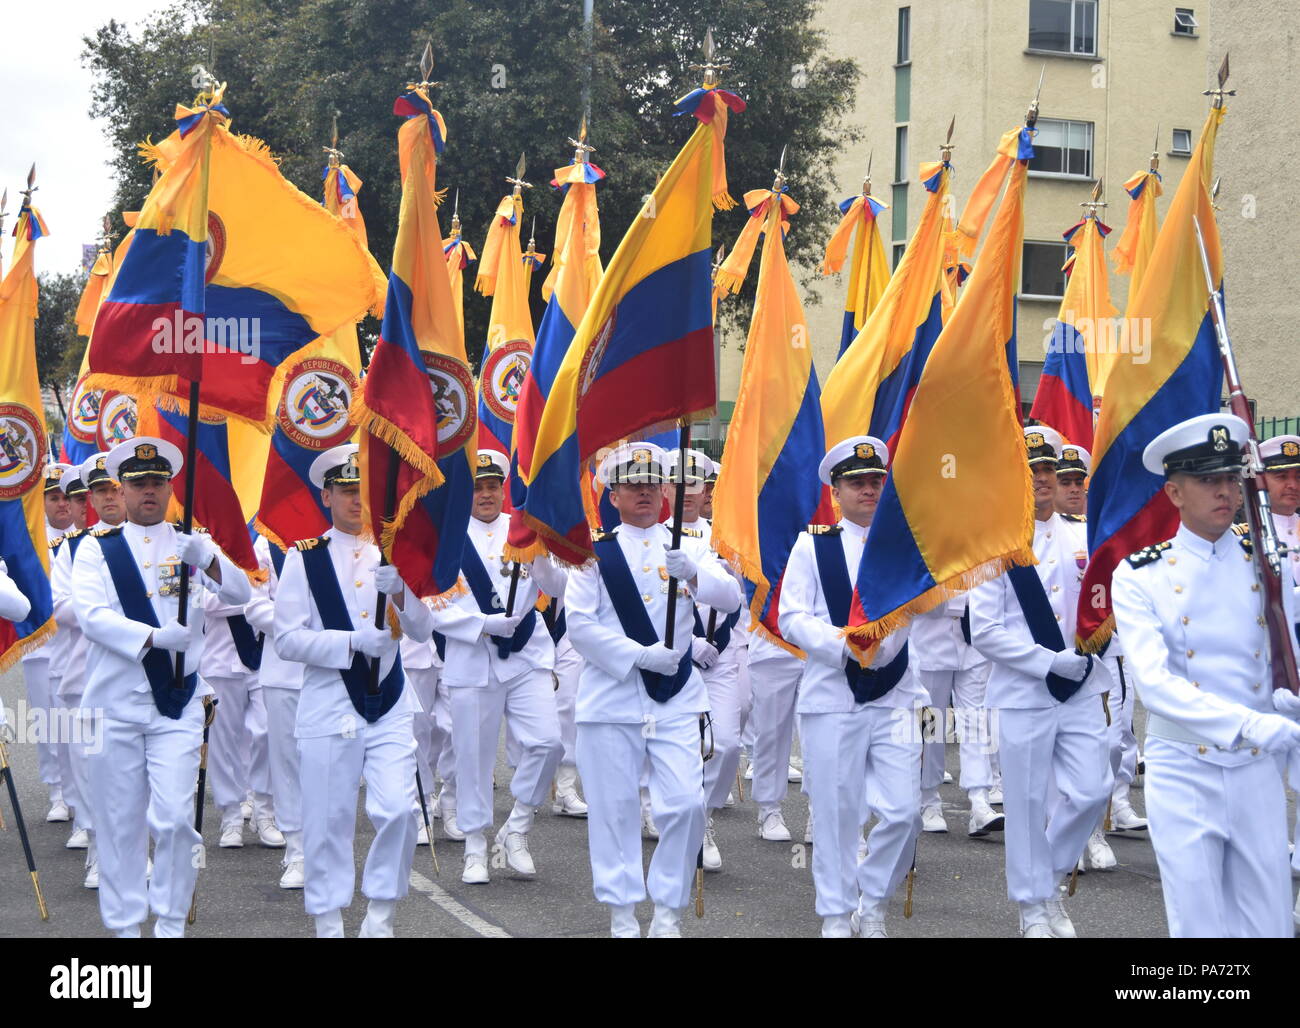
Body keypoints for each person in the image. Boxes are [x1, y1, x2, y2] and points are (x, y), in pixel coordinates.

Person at [1113, 414, 1300, 937]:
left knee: (1269, 921)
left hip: (1257, 768)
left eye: (1228, 479)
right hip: (1185, 768)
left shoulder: (1269, 562)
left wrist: (1290, 699)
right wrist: (1247, 722)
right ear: (1174, 492)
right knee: (1200, 926)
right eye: (1207, 480)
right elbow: (1154, 682)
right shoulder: (1140, 574)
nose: (1223, 492)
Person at [72, 437, 251, 938]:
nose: (148, 492)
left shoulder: (191, 541)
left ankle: (170, 923)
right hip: (114, 704)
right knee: (120, 824)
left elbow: (242, 593)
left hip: (176, 704)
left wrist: (211, 561)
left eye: (156, 483)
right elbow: (92, 617)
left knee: (175, 820)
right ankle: (127, 927)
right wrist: (153, 636)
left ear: (170, 487)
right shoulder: (95, 549)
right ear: (121, 491)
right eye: (137, 484)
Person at [567, 442, 742, 937]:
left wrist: (697, 575)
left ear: (666, 490)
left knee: (686, 804)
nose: (644, 491)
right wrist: (640, 655)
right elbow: (579, 627)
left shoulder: (690, 544)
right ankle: (623, 917)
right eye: (632, 484)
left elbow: (731, 597)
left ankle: (667, 912)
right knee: (614, 811)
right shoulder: (592, 553)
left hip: (677, 698)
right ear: (613, 494)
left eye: (652, 483)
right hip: (612, 702)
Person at [273, 443, 434, 937]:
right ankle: (327, 922)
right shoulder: (305, 559)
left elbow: (424, 631)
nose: (354, 501)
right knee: (326, 821)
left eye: (360, 490)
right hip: (330, 704)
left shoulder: (396, 553)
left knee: (399, 811)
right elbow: (286, 638)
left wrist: (404, 591)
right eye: (345, 491)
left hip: (388, 700)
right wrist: (350, 642)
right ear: (326, 496)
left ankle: (380, 915)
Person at [970, 425, 1113, 938]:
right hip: (1024, 692)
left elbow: (1102, 609)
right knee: (1027, 804)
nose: (1044, 478)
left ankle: (1046, 881)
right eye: (1032, 472)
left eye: (1049, 469)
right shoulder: (996, 546)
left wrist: (1093, 659)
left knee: (1093, 790)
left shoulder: (1083, 535)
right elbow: (984, 631)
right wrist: (1048, 662)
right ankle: (1033, 909)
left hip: (1081, 687)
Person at [779, 435, 925, 939]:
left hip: (899, 695)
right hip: (833, 695)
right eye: (856, 482)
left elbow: (942, 608)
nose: (867, 489)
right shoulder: (812, 544)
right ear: (835, 492)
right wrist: (844, 644)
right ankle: (837, 915)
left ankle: (874, 902)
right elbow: (791, 617)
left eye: (875, 482)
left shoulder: (909, 545)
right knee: (837, 815)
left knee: (905, 813)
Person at [429, 449, 566, 884]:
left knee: (548, 742)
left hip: (526, 653)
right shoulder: (446, 536)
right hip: (472, 657)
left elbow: (562, 586)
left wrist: (544, 555)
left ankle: (518, 827)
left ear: (503, 489)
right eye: (477, 486)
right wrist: (481, 622)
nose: (486, 494)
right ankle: (474, 846)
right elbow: (432, 603)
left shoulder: (523, 531)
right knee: (473, 757)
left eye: (493, 486)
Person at [667, 448, 747, 871]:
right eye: (676, 483)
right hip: (676, 654)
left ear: (707, 490)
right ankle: (678, 814)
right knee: (675, 743)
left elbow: (737, 598)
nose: (684, 492)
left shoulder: (725, 539)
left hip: (722, 651)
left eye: (693, 483)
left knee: (728, 743)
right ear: (664, 488)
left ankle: (706, 815)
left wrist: (716, 637)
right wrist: (692, 641)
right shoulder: (657, 534)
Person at [244, 534, 306, 887]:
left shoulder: (352, 541)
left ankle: (327, 848)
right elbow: (254, 606)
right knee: (286, 763)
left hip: (338, 670)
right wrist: (300, 628)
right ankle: (297, 851)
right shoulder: (268, 546)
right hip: (284, 669)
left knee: (329, 765)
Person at [23, 462, 76, 822]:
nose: (59, 504)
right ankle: (57, 791)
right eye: (52, 497)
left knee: (79, 725)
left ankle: (80, 791)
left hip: (75, 646)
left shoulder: (85, 540)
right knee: (48, 723)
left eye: (64, 497)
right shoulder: (28, 542)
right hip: (41, 647)